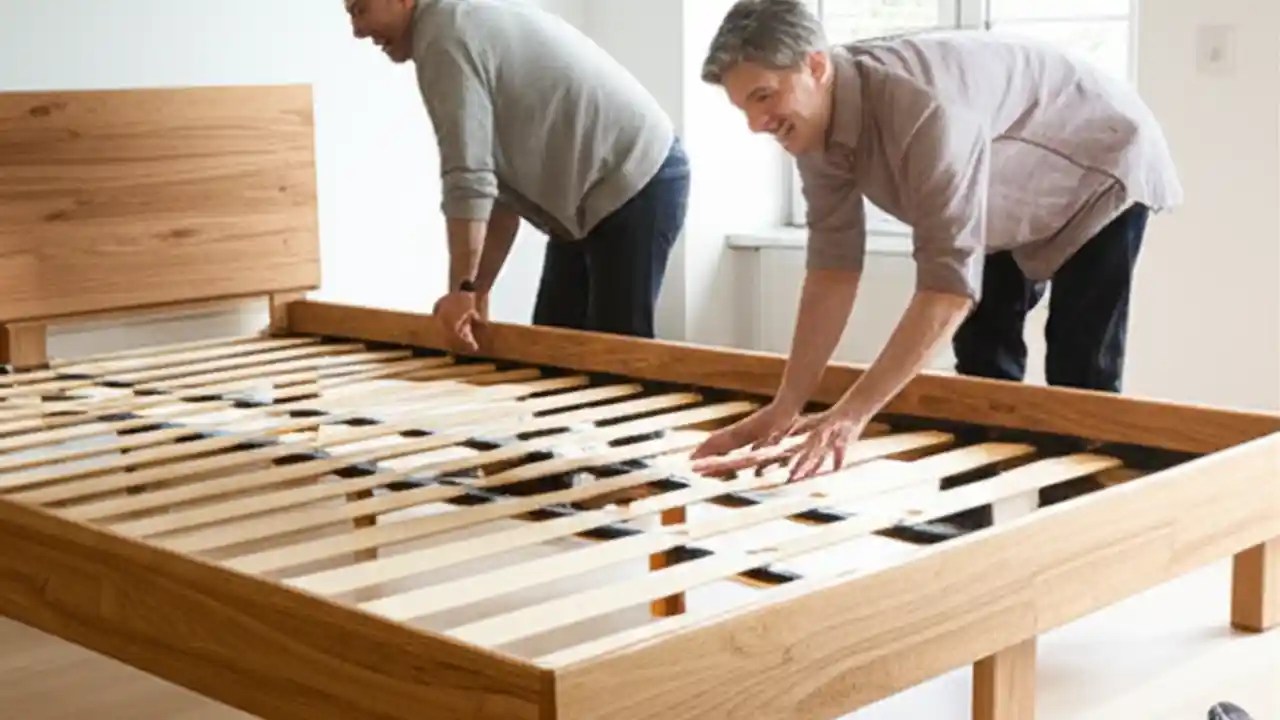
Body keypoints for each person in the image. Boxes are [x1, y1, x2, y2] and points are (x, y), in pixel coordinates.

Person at [690, 0, 1183, 481]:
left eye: (764, 97)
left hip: (1102, 163)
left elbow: (946, 292)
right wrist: (786, 407)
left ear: (816, 66)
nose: (756, 124)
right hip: (1003, 192)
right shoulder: (813, 130)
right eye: (744, 108)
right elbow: (832, 270)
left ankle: (1073, 536)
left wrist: (851, 414)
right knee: (982, 365)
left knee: (1079, 373)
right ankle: (971, 527)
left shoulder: (923, 107)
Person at [344, 0, 690, 350]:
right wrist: (475, 292)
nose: (357, 30)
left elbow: (467, 179)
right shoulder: (455, 23)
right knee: (553, 353)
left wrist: (462, 290)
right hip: (593, 196)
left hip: (636, 177)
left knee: (615, 360)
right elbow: (497, 199)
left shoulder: (443, 34)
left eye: (360, 9)